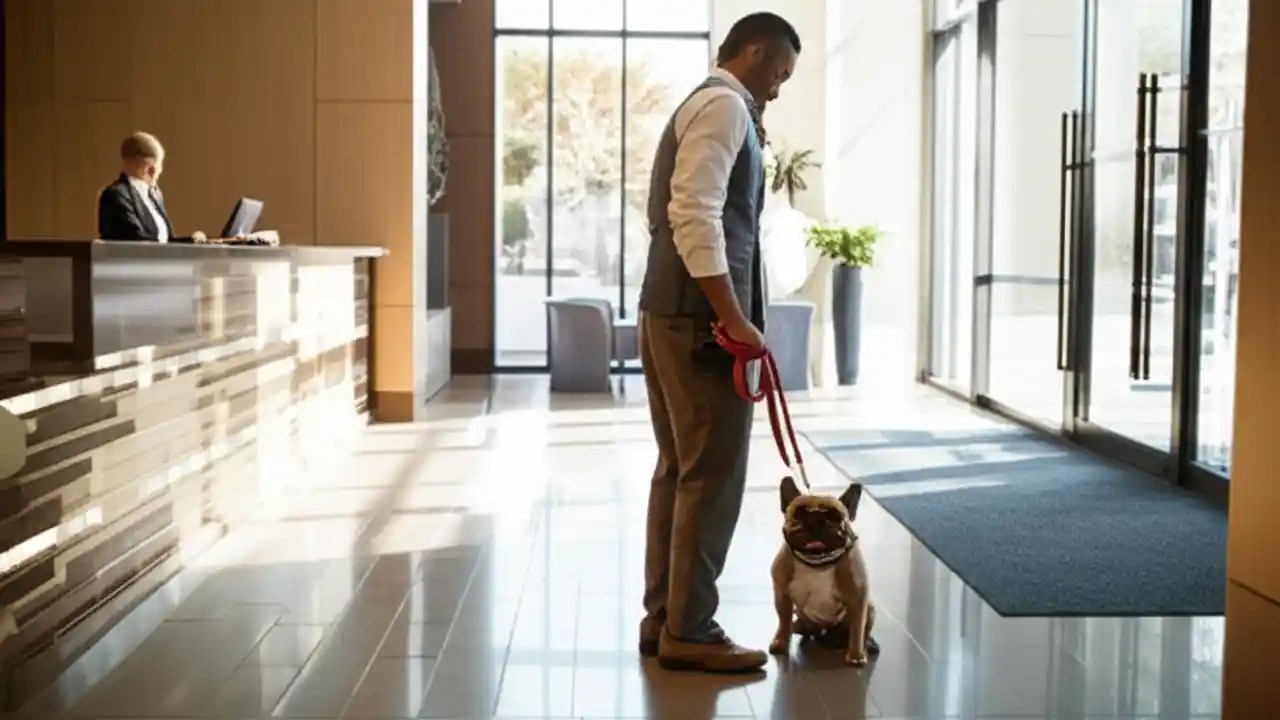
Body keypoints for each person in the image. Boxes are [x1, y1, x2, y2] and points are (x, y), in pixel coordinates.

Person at [636, 11, 800, 673]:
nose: (780, 88)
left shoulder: (706, 106)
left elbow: (673, 211)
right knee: (712, 475)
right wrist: (732, 316)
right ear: (755, 52)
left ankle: (665, 622)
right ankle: (692, 632)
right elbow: (694, 213)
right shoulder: (725, 109)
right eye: (780, 72)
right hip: (699, 323)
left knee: (680, 472)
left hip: (668, 311)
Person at [98, 132, 206, 243]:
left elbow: (166, 241)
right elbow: (137, 240)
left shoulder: (155, 194)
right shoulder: (116, 195)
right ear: (152, 169)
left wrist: (192, 240)